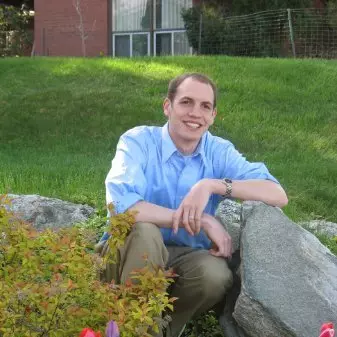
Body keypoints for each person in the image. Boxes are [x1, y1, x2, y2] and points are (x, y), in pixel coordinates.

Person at [96, 73, 288, 337]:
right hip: (125, 252)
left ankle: (162, 330)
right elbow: (123, 208)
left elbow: (277, 193)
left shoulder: (218, 151)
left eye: (205, 106)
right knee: (145, 231)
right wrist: (204, 220)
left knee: (215, 274)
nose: (195, 113)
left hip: (184, 256)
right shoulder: (138, 141)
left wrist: (212, 185)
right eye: (186, 102)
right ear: (168, 106)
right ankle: (133, 329)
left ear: (213, 116)